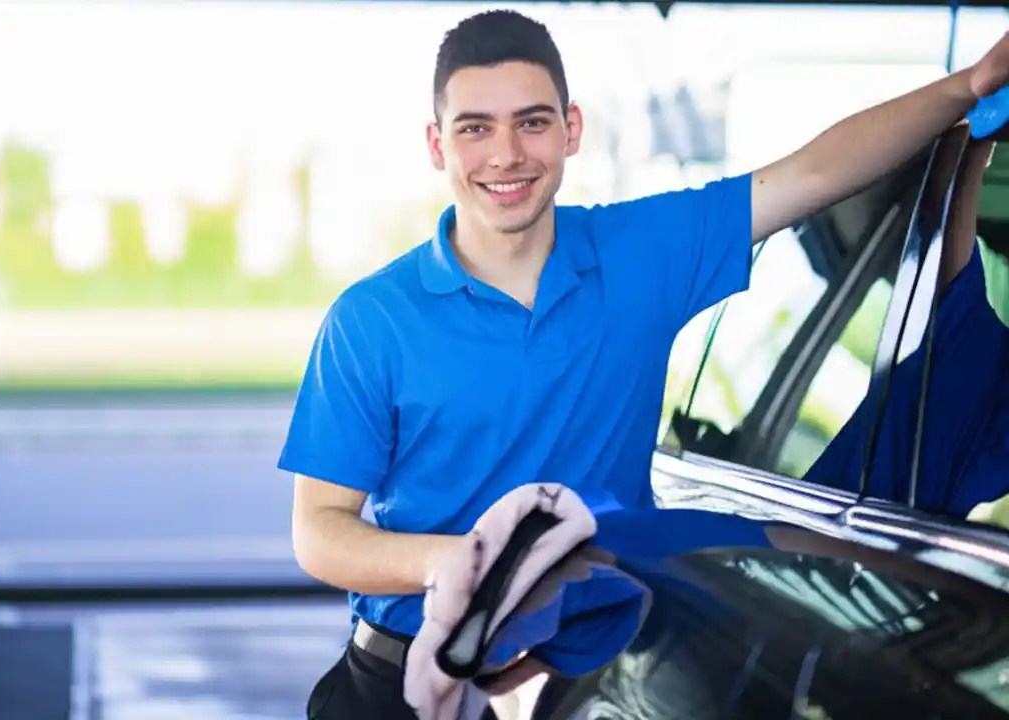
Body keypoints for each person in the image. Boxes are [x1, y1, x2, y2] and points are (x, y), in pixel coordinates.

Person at [276, 9, 1009, 718]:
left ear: (571, 130)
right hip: (405, 678)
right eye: (476, 128)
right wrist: (466, 564)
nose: (505, 155)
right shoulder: (372, 319)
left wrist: (968, 85)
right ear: (438, 144)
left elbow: (813, 175)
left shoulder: (641, 253)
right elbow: (321, 531)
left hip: (587, 680)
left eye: (532, 122)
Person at [803, 137, 1009, 517]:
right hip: (811, 547)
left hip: (843, 552)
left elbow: (947, 197)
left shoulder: (972, 343)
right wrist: (977, 132)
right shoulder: (974, 345)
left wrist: (977, 136)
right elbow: (945, 202)